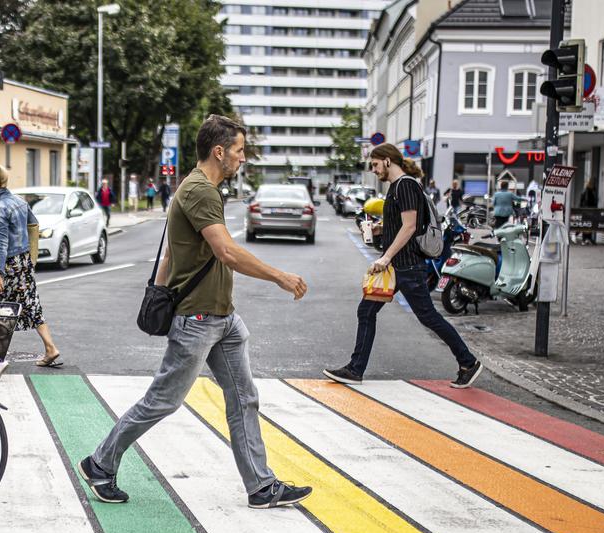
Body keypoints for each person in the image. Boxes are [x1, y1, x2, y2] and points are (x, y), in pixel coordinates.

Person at [77, 114, 313, 509]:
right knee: (162, 401)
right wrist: (279, 277)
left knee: (244, 398)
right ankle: (100, 462)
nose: (242, 158)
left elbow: (172, 254)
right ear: (219, 152)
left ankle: (260, 486)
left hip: (223, 318)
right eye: (239, 150)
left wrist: (159, 296)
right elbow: (226, 252)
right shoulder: (200, 191)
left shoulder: (200, 188)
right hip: (199, 320)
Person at [323, 143, 482, 389]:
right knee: (366, 311)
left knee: (428, 316)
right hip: (397, 267)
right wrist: (379, 229)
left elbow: (410, 227)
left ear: (388, 160)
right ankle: (355, 369)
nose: (374, 170)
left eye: (375, 165)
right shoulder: (397, 187)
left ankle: (468, 362)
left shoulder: (405, 185)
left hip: (407, 266)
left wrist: (385, 257)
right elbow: (402, 225)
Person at [0, 163, 63, 380]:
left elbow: (1, 245)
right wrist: (31, 257)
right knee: (31, 305)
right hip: (24, 262)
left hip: (9, 265)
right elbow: (34, 226)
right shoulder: (20, 202)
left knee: (1, 311)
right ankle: (50, 348)